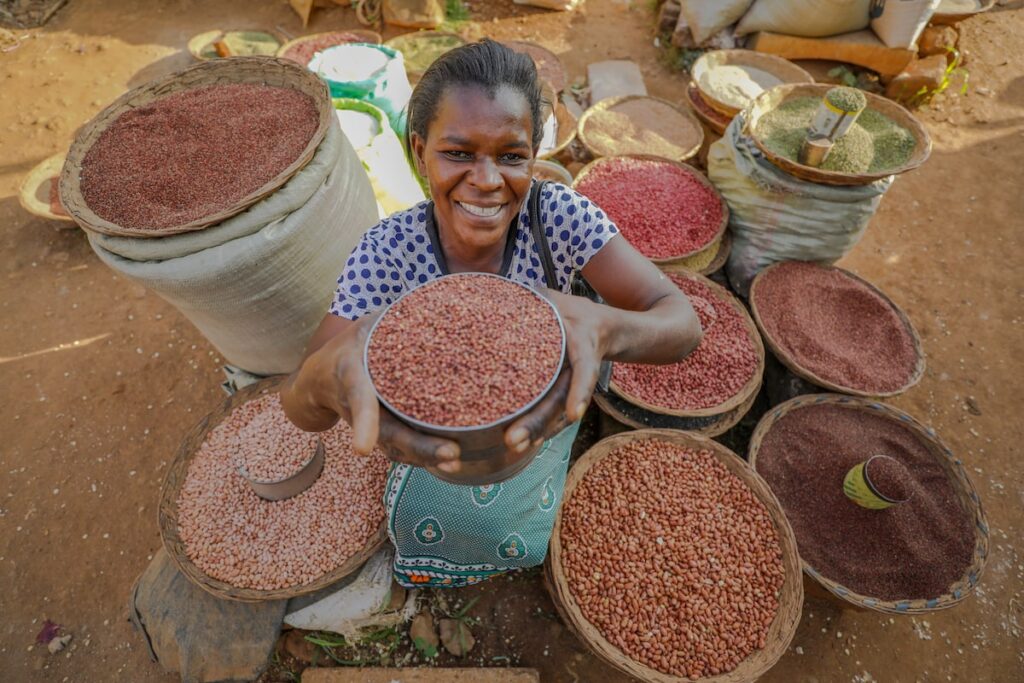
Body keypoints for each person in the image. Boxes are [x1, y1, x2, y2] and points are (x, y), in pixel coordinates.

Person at [281, 39, 702, 588]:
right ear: (419, 152)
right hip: (435, 427)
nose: (486, 180)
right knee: (425, 506)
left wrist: (608, 328)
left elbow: (680, 322)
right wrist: (321, 380)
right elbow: (301, 405)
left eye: (511, 156)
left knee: (502, 521)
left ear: (533, 156)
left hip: (547, 409)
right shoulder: (388, 251)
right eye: (458, 153)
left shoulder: (557, 216)